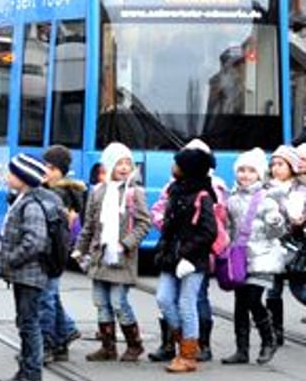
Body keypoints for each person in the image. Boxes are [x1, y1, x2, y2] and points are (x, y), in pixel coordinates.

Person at [148, 138, 227, 362]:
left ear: (188, 169)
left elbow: (208, 232)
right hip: (170, 256)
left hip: (193, 259)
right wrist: (164, 247)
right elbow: (168, 225)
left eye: (177, 164)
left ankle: (188, 353)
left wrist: (188, 255)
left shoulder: (203, 196)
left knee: (186, 302)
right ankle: (183, 339)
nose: (173, 167)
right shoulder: (174, 190)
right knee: (164, 298)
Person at [73, 142, 151, 362]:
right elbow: (88, 225)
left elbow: (144, 223)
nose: (125, 167)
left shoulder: (135, 193)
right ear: (108, 165)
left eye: (128, 163)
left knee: (118, 302)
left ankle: (135, 344)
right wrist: (79, 249)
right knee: (101, 301)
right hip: (100, 257)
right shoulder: (98, 192)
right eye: (119, 163)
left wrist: (126, 243)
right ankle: (108, 347)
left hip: (122, 258)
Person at [0, 153, 59, 381]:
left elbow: (35, 241)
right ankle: (26, 371)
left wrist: (12, 259)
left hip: (29, 274)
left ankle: (32, 375)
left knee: (29, 323)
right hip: (25, 274)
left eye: (12, 173)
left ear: (23, 178)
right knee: (25, 322)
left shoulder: (31, 205)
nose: (8, 176)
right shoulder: (23, 200)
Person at [221, 148, 286, 365]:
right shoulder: (232, 198)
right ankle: (242, 349)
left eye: (250, 171)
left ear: (259, 174)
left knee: (253, 299)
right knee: (240, 302)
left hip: (263, 258)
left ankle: (269, 340)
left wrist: (276, 223)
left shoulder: (266, 199)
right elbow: (229, 228)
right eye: (241, 170)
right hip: (240, 258)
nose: (245, 175)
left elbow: (277, 232)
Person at [40, 145, 84, 362]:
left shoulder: (57, 195)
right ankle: (65, 332)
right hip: (57, 252)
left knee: (46, 297)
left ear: (62, 171)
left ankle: (48, 342)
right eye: (45, 166)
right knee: (51, 295)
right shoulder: (55, 191)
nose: (46, 170)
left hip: (53, 252)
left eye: (52, 167)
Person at [263, 144, 305, 346]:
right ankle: (275, 331)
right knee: (273, 289)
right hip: (273, 247)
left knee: (299, 289)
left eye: (281, 164)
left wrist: (298, 221)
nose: (276, 168)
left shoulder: (301, 189)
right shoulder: (266, 189)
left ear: (291, 166)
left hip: (296, 247)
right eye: (273, 164)